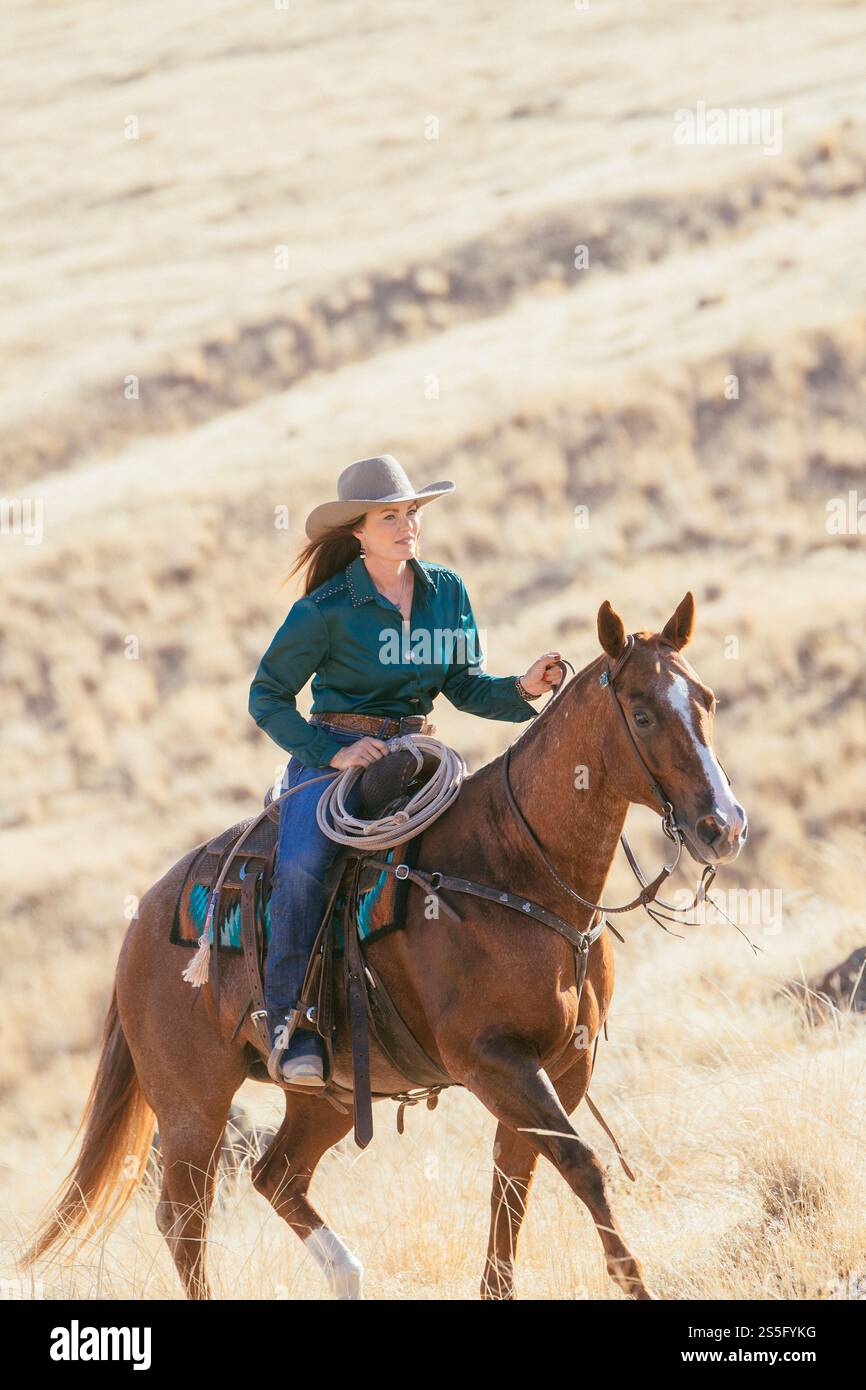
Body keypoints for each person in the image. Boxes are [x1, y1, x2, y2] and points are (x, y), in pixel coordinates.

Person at [247, 454, 564, 1086]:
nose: (405, 525)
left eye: (411, 512)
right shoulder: (326, 610)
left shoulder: (447, 592)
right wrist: (329, 751)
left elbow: (466, 686)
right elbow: (266, 695)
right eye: (389, 515)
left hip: (419, 756)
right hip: (337, 754)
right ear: (358, 532)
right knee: (306, 861)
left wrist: (523, 687)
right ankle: (286, 1022)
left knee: (485, 844)